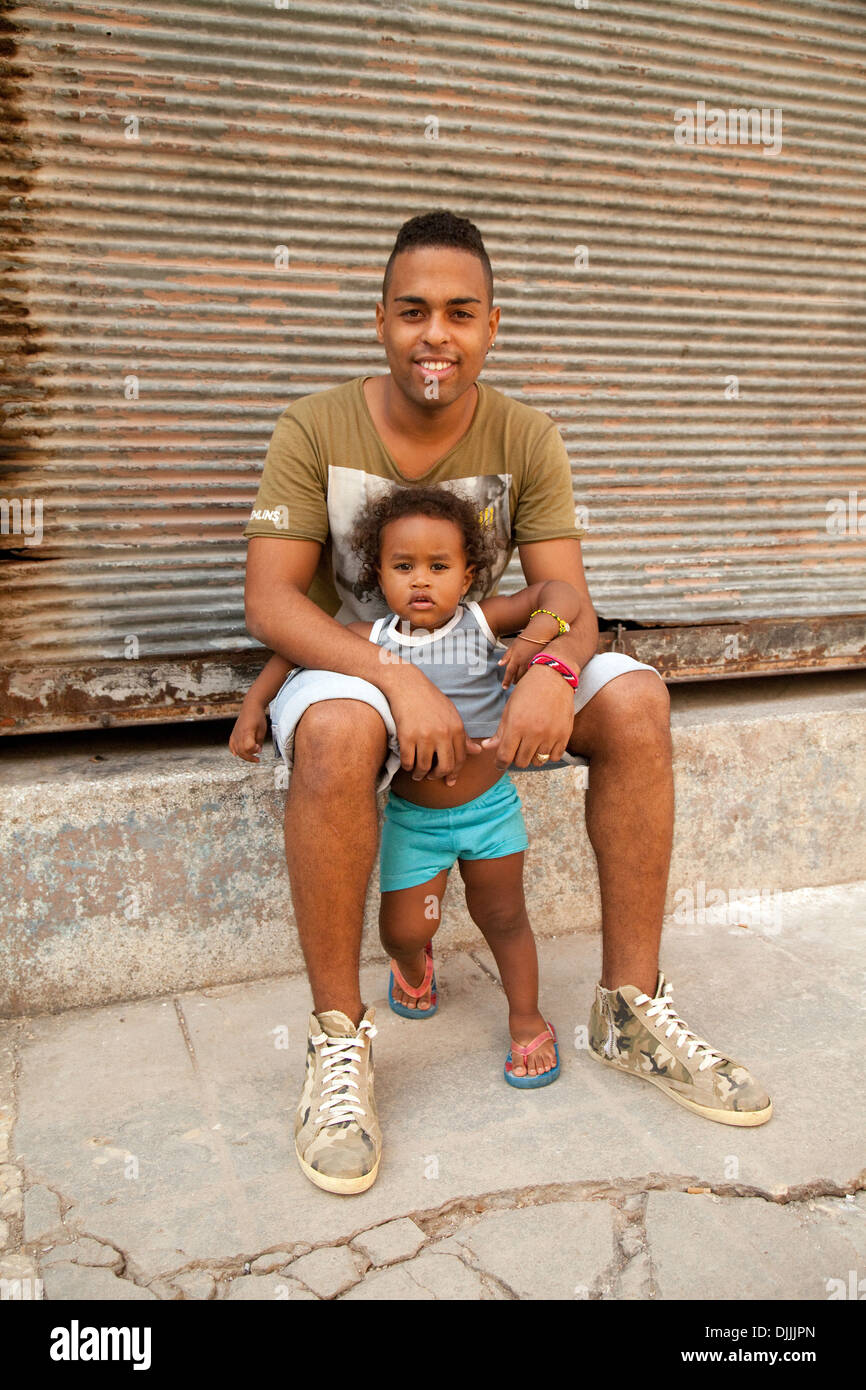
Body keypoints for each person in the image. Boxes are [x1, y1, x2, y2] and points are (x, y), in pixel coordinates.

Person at [238, 209, 773, 1196]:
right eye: (411, 311)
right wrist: (391, 675)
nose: (432, 334)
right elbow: (269, 600)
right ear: (378, 322)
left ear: (489, 326)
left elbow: (569, 603)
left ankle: (625, 1009)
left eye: (457, 312)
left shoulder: (525, 433)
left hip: (486, 668)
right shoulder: (313, 425)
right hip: (358, 670)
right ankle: (337, 1043)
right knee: (340, 727)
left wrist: (555, 673)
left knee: (636, 700)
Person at [232, 486, 590, 1104]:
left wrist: (541, 632)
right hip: (414, 820)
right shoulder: (371, 639)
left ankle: (527, 1021)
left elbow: (561, 594)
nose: (421, 581)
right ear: (378, 574)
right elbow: (289, 649)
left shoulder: (481, 621)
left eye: (439, 567)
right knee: (401, 929)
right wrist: (253, 706)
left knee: (503, 916)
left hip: (490, 811)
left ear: (469, 575)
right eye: (404, 567)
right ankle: (413, 965)